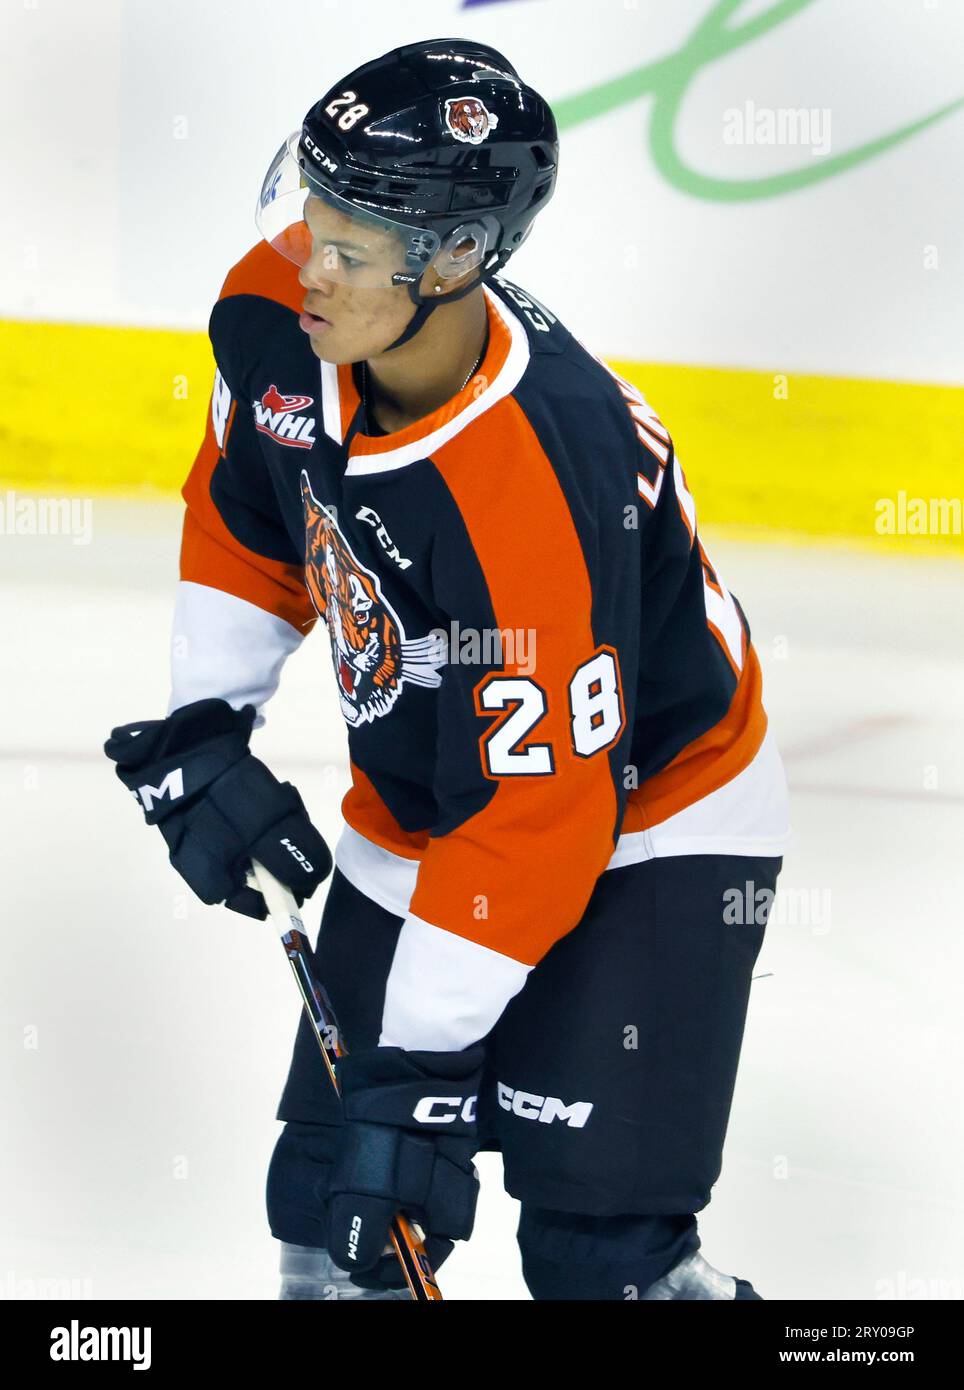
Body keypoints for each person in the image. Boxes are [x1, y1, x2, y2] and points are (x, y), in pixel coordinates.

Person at [104, 37, 791, 1300]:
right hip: (441, 800)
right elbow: (257, 508)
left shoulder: (532, 479)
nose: (307, 265)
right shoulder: (277, 309)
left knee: (598, 1263)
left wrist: (415, 1074)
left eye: (352, 249)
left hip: (654, 821)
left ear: (458, 259)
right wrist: (209, 716)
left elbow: (540, 815)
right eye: (310, 211)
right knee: (326, 1207)